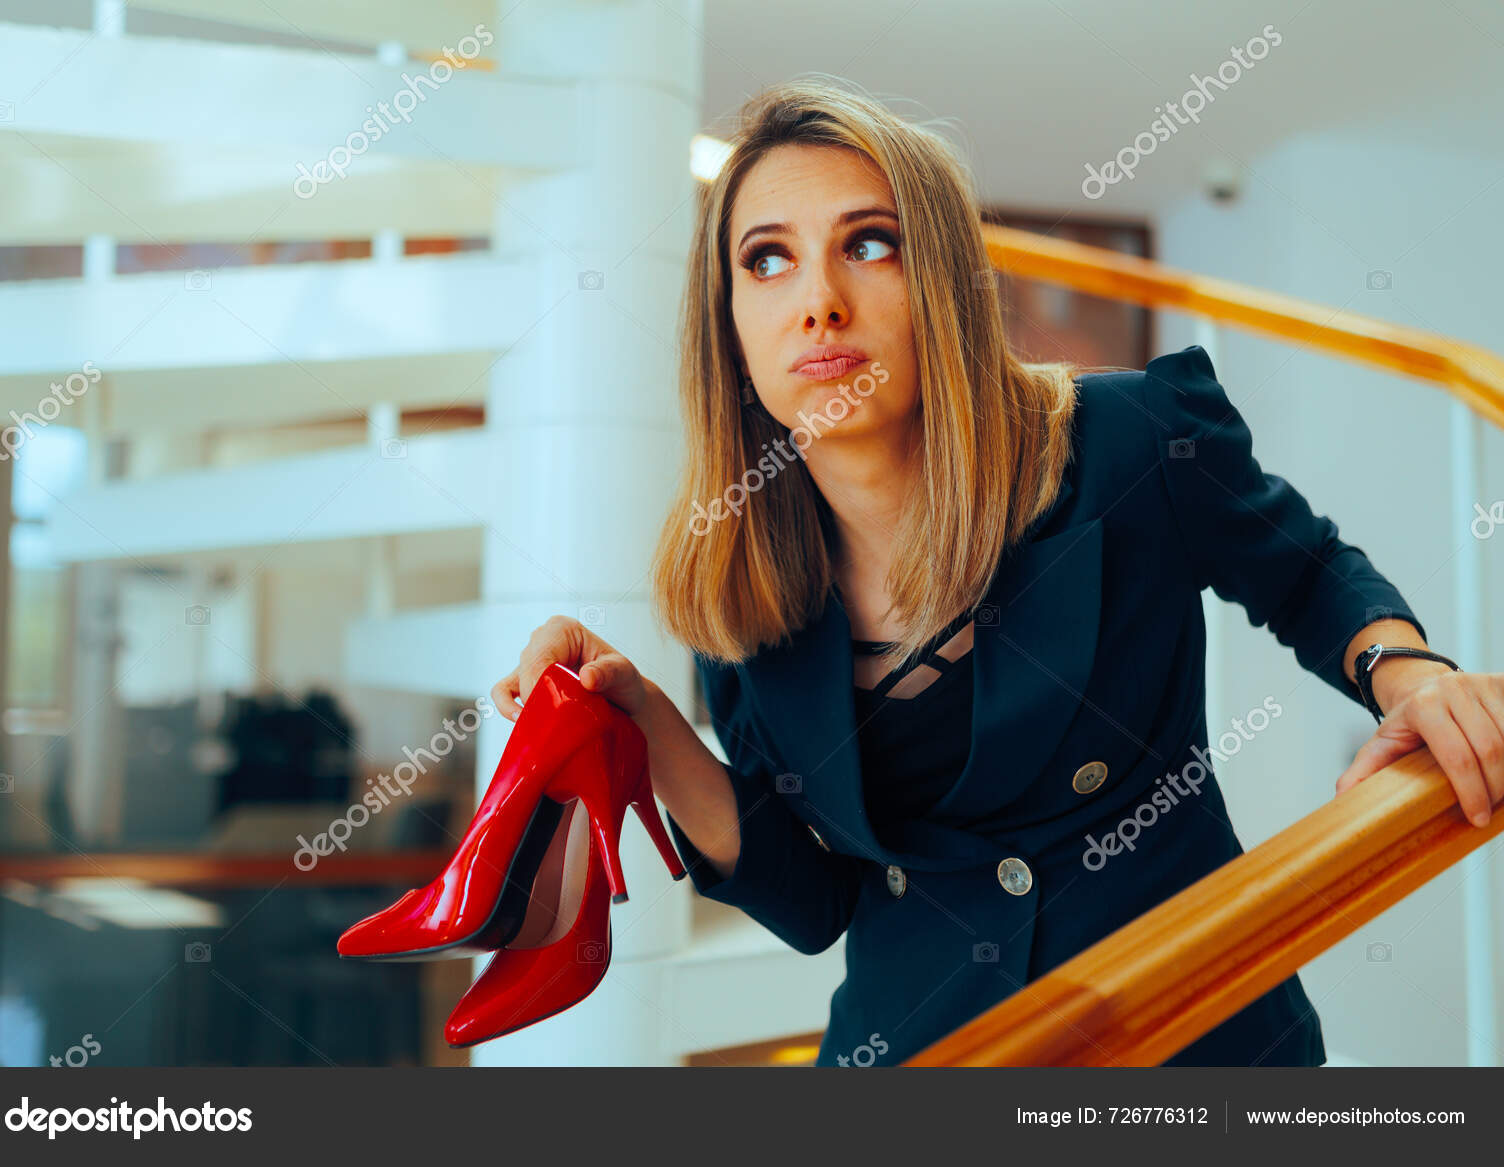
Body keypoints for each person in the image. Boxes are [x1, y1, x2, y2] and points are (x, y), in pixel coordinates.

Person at [488, 79, 1504, 1067]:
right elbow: (813, 903)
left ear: (938, 279)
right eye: (766, 261)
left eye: (868, 244)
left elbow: (1306, 574)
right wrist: (649, 726)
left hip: (1193, 1036)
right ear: (728, 330)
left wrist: (1408, 676)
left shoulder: (1125, 439)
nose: (818, 304)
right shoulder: (736, 585)